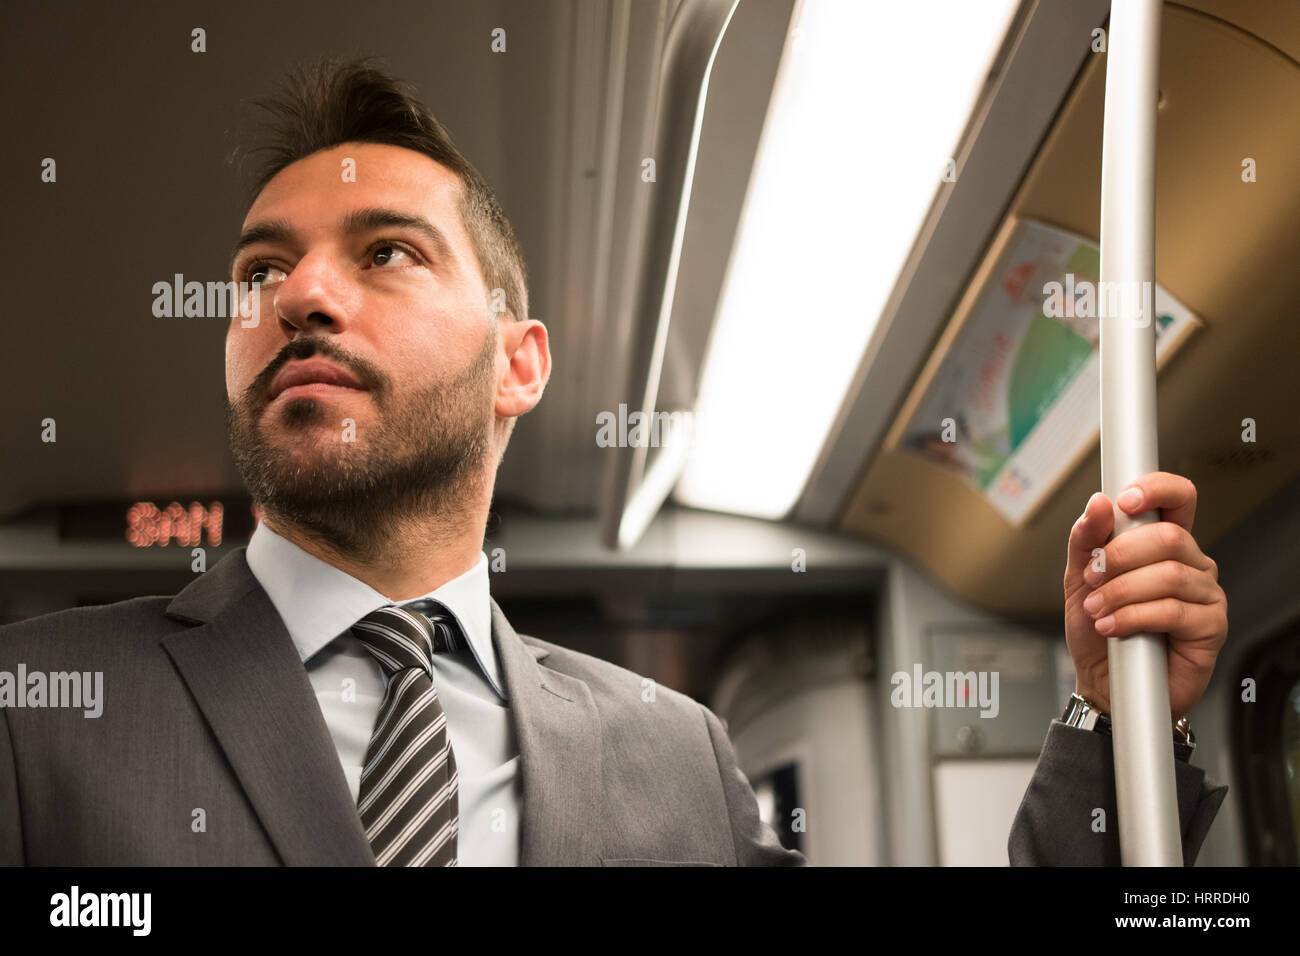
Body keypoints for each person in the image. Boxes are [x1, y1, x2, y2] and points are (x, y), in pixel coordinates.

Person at [0, 58, 1228, 867]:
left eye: (385, 253)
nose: (301, 294)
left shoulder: (673, 756)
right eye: (261, 273)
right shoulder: (44, 708)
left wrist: (1109, 722)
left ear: (518, 365)